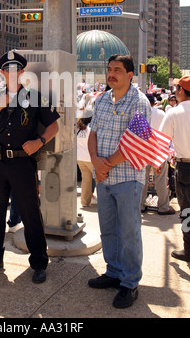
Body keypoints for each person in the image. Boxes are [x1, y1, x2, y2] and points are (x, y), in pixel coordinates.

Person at [0, 50, 59, 284]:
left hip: (23, 163)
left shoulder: (36, 96)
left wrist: (39, 142)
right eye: (6, 70)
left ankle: (39, 262)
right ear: (1, 72)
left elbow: (54, 127)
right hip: (0, 164)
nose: (11, 73)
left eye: (16, 69)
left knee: (30, 213)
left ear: (22, 72)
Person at [87, 54, 151, 309]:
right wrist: (95, 160)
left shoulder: (140, 102)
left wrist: (105, 164)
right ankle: (113, 272)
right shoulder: (102, 99)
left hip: (128, 178)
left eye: (117, 70)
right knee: (109, 229)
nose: (111, 74)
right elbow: (92, 134)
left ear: (130, 75)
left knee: (129, 231)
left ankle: (130, 282)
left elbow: (139, 141)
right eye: (109, 69)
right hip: (103, 177)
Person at [159, 76, 190, 262]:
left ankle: (189, 249)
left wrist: (157, 163)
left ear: (181, 90)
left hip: (185, 167)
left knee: (187, 210)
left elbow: (161, 142)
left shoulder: (174, 113)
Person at [140, 94, 175, 215]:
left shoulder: (140, 113)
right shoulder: (161, 114)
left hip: (143, 150)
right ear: (154, 103)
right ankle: (163, 206)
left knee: (142, 179)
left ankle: (141, 205)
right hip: (158, 149)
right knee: (161, 179)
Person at [77, 113, 96, 207]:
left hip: (80, 158)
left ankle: (84, 202)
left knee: (85, 180)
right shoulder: (91, 128)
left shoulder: (78, 128)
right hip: (90, 158)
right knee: (99, 180)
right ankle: (103, 202)